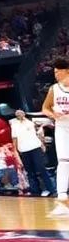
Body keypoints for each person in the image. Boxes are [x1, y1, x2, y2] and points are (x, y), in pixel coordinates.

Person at [41, 57, 69, 218]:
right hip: (62, 127)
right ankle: (62, 199)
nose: (56, 74)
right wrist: (53, 114)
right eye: (54, 72)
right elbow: (45, 108)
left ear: (67, 71)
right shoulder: (54, 89)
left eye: (58, 72)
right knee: (64, 161)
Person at [10, 109, 53, 197]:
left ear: (24, 114)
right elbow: (14, 141)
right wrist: (16, 153)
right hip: (24, 150)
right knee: (30, 172)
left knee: (41, 169)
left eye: (21, 113)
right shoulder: (14, 126)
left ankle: (50, 189)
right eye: (17, 114)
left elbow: (39, 134)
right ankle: (35, 191)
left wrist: (42, 144)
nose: (20, 115)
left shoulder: (30, 123)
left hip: (35, 148)